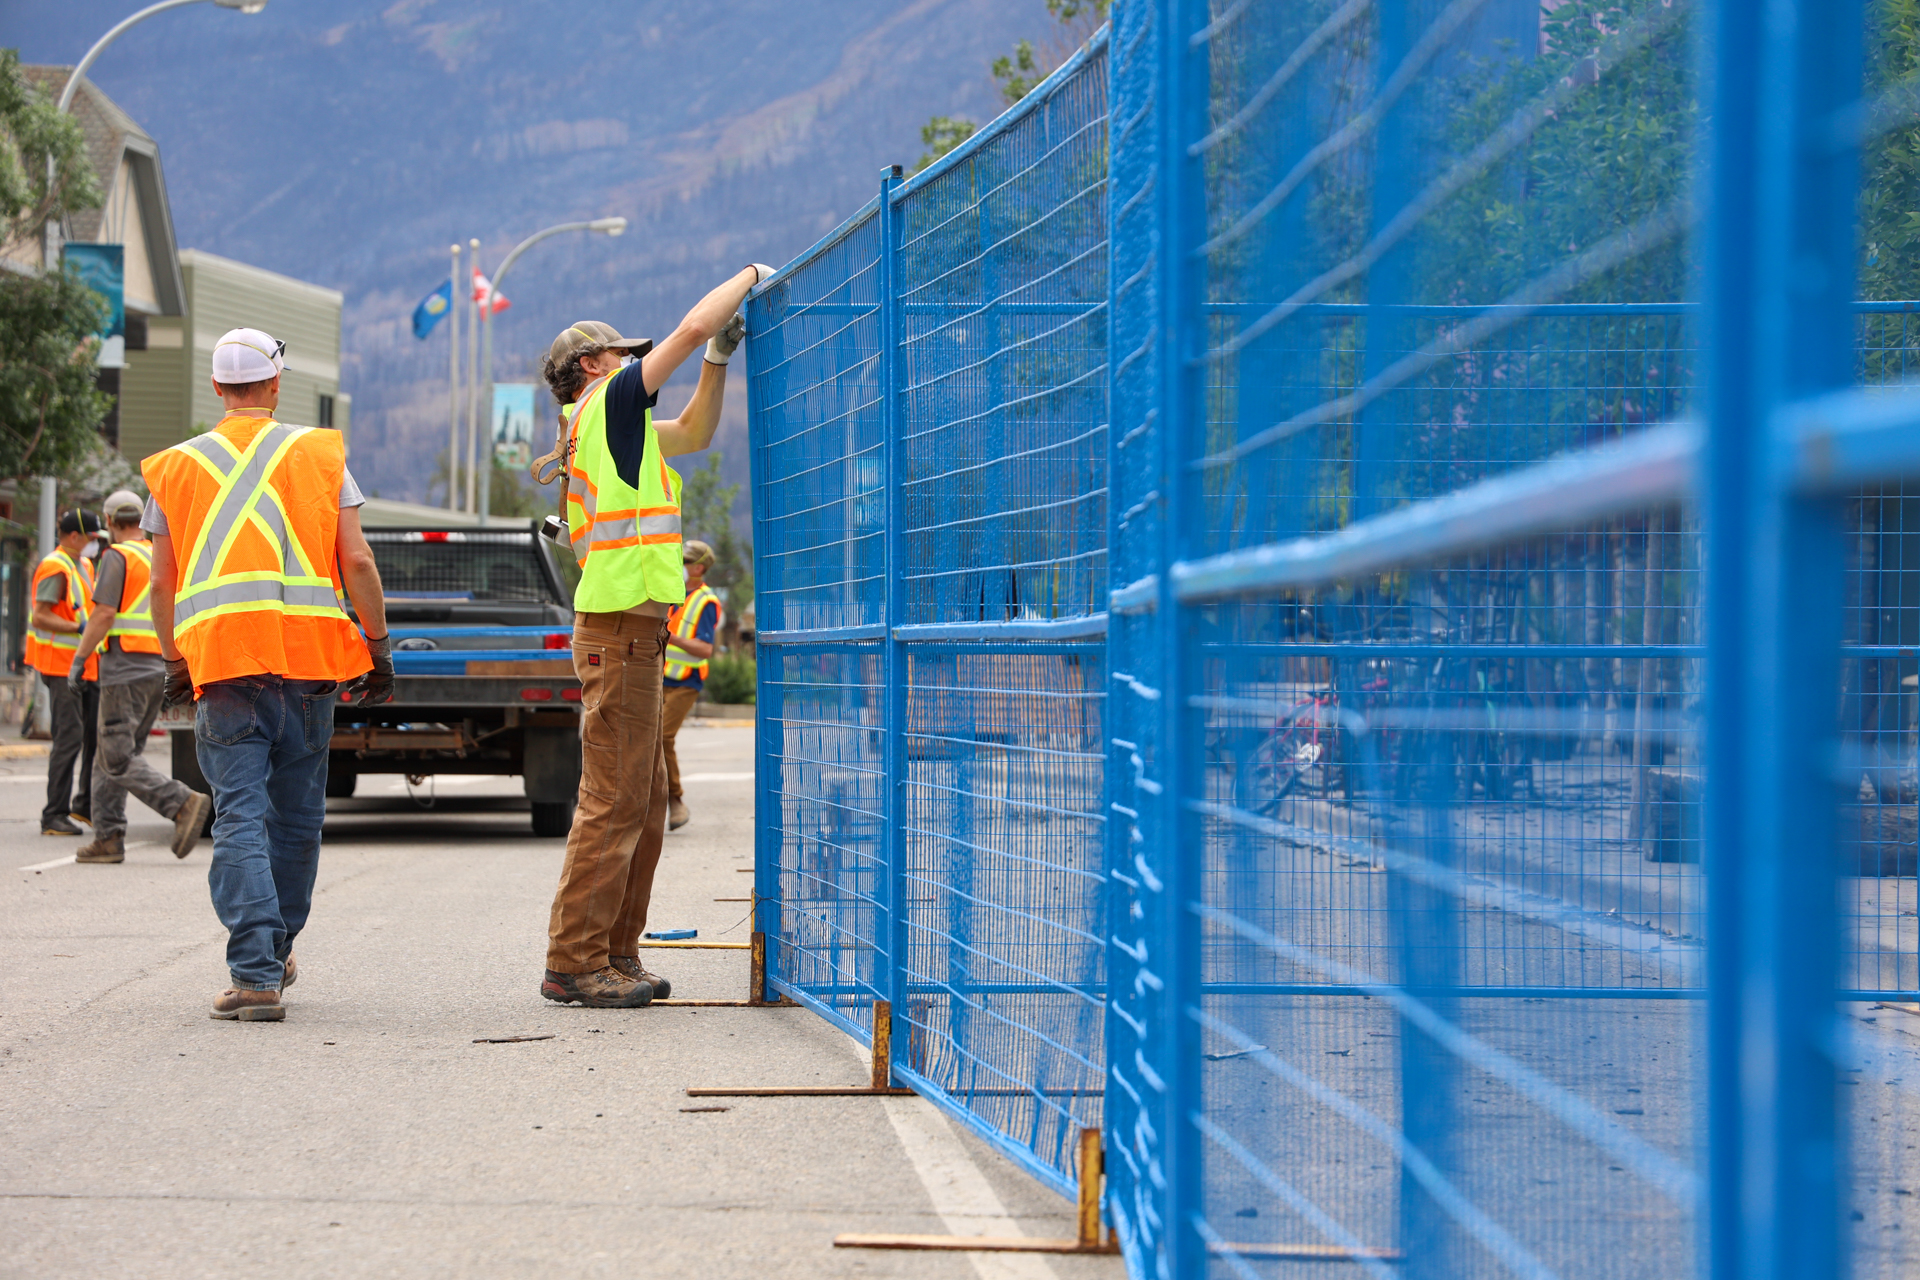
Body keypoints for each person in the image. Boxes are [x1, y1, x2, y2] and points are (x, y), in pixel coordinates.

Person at [142, 326, 395, 1023]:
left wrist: (173, 658)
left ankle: (254, 972)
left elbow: (161, 584)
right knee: (296, 821)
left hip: (223, 668)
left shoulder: (175, 468)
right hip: (310, 668)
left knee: (242, 818)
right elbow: (360, 562)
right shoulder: (319, 454)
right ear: (276, 384)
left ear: (217, 388)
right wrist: (376, 645)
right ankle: (276, 952)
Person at [536, 262, 769, 1010]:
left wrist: (718, 361)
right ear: (589, 369)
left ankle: (613, 953)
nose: (635, 364)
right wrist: (753, 275)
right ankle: (576, 959)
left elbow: (696, 432)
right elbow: (691, 325)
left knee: (635, 799)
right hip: (619, 628)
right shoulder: (604, 408)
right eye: (619, 355)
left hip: (633, 628)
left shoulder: (612, 428)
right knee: (613, 799)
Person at [66, 490, 215, 865]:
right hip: (156, 668)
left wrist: (80, 657)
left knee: (116, 757)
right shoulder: (160, 555)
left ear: (112, 521)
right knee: (112, 754)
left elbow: (102, 615)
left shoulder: (117, 557)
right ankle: (108, 837)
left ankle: (181, 802)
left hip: (123, 671)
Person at [28, 508, 101, 837]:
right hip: (60, 668)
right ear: (74, 536)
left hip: (86, 665)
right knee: (69, 738)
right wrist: (78, 627)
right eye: (92, 538)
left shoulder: (82, 565)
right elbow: (40, 616)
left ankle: (83, 807)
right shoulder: (55, 566)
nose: (95, 544)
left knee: (92, 738)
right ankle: (53, 815)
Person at [660, 539, 723, 831]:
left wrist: (671, 638)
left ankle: (676, 801)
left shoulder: (706, 601)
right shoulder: (674, 592)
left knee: (662, 738)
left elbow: (705, 649)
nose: (680, 566)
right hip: (661, 676)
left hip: (686, 680)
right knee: (648, 741)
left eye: (685, 562)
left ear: (699, 567)